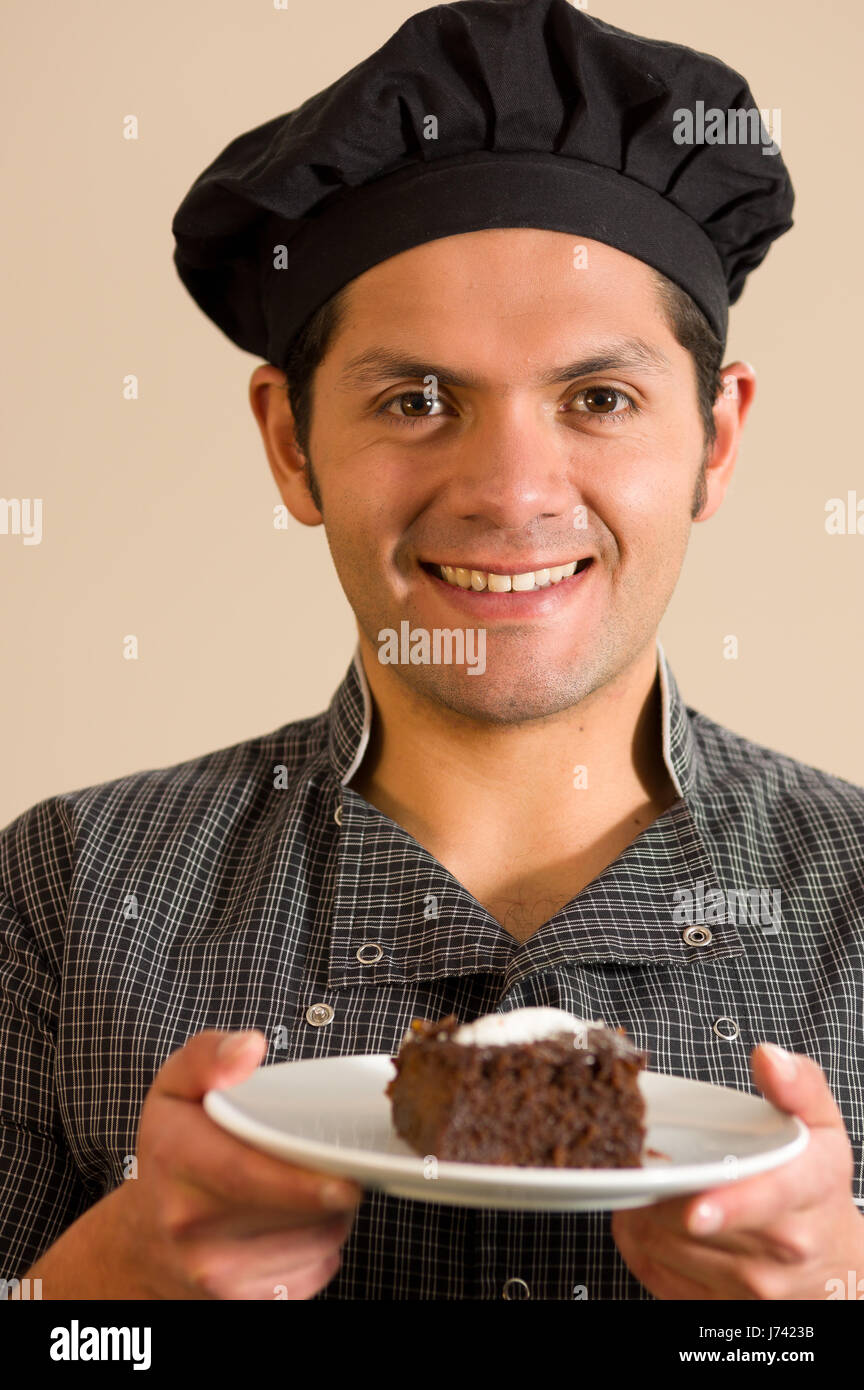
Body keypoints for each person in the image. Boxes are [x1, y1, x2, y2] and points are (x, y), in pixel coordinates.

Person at [2, 0, 863, 1301]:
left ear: (716, 440)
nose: (513, 494)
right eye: (417, 399)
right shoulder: (65, 896)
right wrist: (92, 1308)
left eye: (599, 398)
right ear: (293, 444)